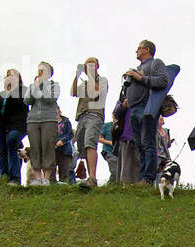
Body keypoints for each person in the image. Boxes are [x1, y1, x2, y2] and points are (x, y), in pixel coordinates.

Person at [117, 40, 171, 186]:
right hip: (133, 109)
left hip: (146, 107)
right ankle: (142, 178)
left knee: (148, 143)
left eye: (138, 48)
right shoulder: (138, 67)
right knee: (140, 144)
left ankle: (148, 178)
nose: (136, 51)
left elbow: (163, 81)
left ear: (147, 49)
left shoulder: (156, 63)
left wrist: (139, 78)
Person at [72, 57, 107, 187]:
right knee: (83, 146)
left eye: (92, 65)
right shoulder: (84, 83)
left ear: (97, 66)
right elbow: (74, 92)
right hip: (82, 115)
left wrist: (90, 75)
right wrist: (77, 75)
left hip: (95, 115)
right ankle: (89, 179)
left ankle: (93, 177)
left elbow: (97, 91)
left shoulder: (102, 80)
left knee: (90, 142)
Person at [25, 62, 62, 186]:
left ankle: (46, 178)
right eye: (39, 70)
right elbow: (27, 101)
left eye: (43, 70)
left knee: (47, 147)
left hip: (49, 120)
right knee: (35, 148)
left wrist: (43, 85)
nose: (40, 72)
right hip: (33, 120)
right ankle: (37, 178)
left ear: (49, 73)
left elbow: (50, 99)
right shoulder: (32, 86)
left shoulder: (54, 85)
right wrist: (35, 87)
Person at [0, 70, 28, 185]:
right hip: (7, 125)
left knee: (11, 141)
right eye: (7, 75)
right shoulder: (3, 93)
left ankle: (15, 178)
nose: (8, 77)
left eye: (11, 75)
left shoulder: (23, 90)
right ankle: (4, 176)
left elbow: (19, 104)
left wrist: (11, 91)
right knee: (4, 150)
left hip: (19, 124)